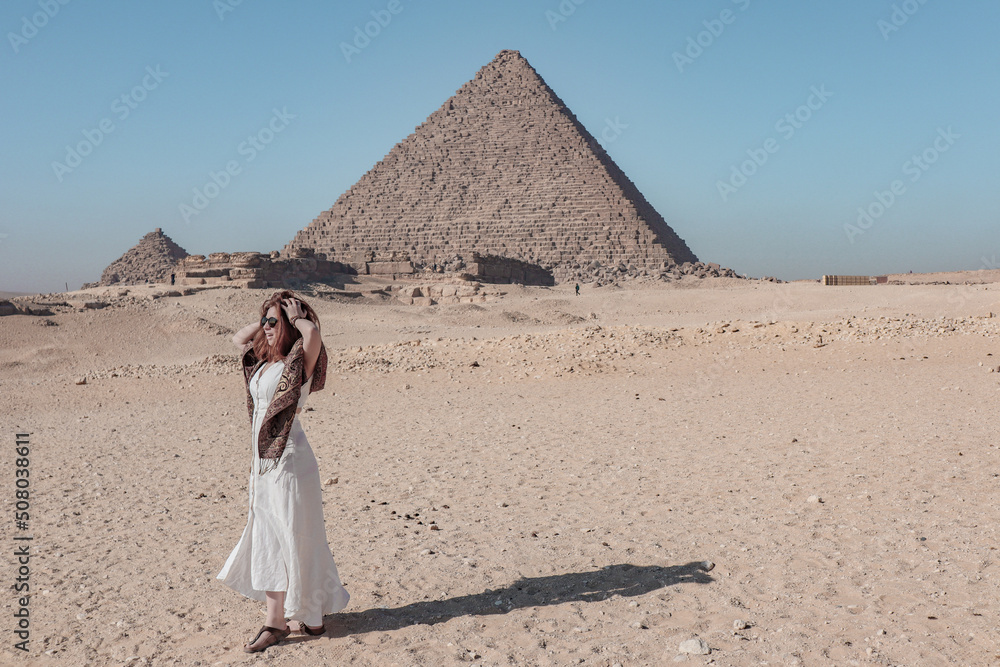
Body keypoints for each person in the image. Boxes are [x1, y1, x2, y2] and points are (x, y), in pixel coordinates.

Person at [217, 290, 350, 653]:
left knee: (296, 536)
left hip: (290, 463)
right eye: (266, 321)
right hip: (262, 463)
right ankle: (291, 619)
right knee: (270, 536)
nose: (267, 328)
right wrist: (265, 318)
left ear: (291, 325)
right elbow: (238, 339)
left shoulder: (299, 363)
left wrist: (297, 318)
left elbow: (313, 337)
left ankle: (296, 617)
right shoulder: (262, 362)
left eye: (275, 322)